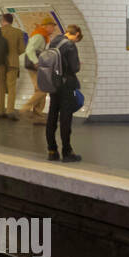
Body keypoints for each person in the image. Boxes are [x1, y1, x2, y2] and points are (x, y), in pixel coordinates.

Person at [42, 24, 84, 162]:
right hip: (66, 85)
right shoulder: (71, 46)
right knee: (66, 118)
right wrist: (79, 64)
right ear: (76, 34)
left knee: (52, 116)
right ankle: (67, 152)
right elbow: (74, 67)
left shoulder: (54, 41)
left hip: (53, 83)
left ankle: (52, 150)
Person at [19, 21, 57, 124]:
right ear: (45, 26)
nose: (53, 29)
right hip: (34, 65)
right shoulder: (39, 36)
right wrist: (36, 62)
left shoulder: (43, 36)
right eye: (52, 26)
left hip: (35, 66)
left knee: (40, 89)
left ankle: (37, 115)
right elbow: (29, 50)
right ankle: (25, 109)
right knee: (42, 89)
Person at [0, 12, 27, 119]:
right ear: (12, 21)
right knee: (11, 87)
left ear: (3, 20)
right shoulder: (18, 32)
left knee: (1, 87)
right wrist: (14, 55)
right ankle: (10, 110)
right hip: (13, 62)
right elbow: (22, 49)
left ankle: (1, 111)